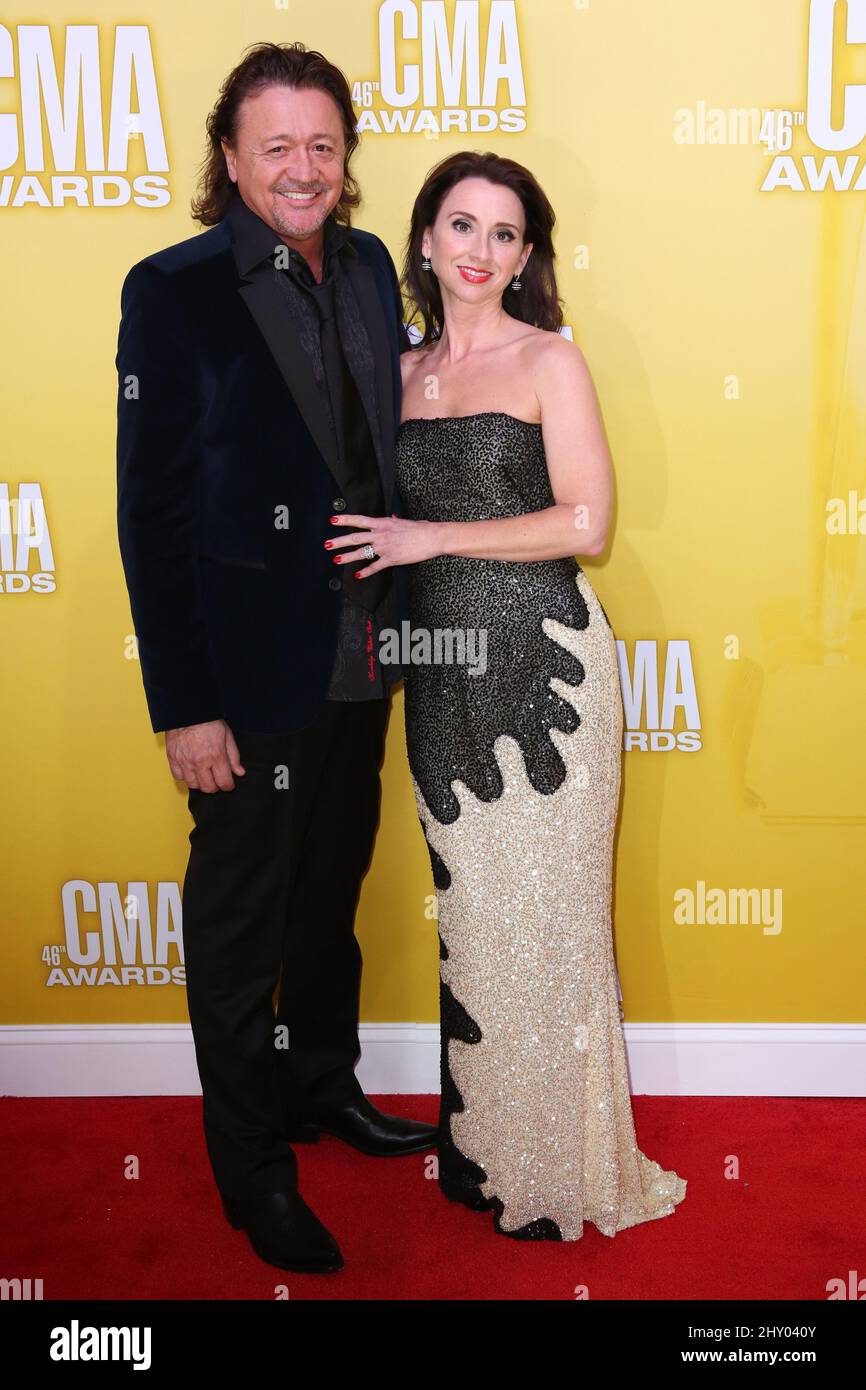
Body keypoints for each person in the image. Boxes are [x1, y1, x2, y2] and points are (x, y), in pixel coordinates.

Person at [115, 41, 436, 1276]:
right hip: (243, 677)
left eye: (321, 145)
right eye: (275, 148)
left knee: (330, 894)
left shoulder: (362, 264)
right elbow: (151, 516)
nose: (302, 168)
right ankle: (252, 1170)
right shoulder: (174, 289)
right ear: (230, 160)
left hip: (365, 644)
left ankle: (323, 1087)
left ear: (344, 157)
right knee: (245, 919)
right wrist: (183, 703)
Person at [326, 150, 688, 1240]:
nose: (479, 251)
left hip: (551, 670)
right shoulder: (388, 371)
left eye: (503, 234)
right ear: (425, 239)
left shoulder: (549, 361)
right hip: (441, 674)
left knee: (556, 924)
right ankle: (486, 1154)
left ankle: (560, 1168)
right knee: (481, 924)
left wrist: (427, 534)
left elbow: (586, 524)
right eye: (460, 225)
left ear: (525, 255)